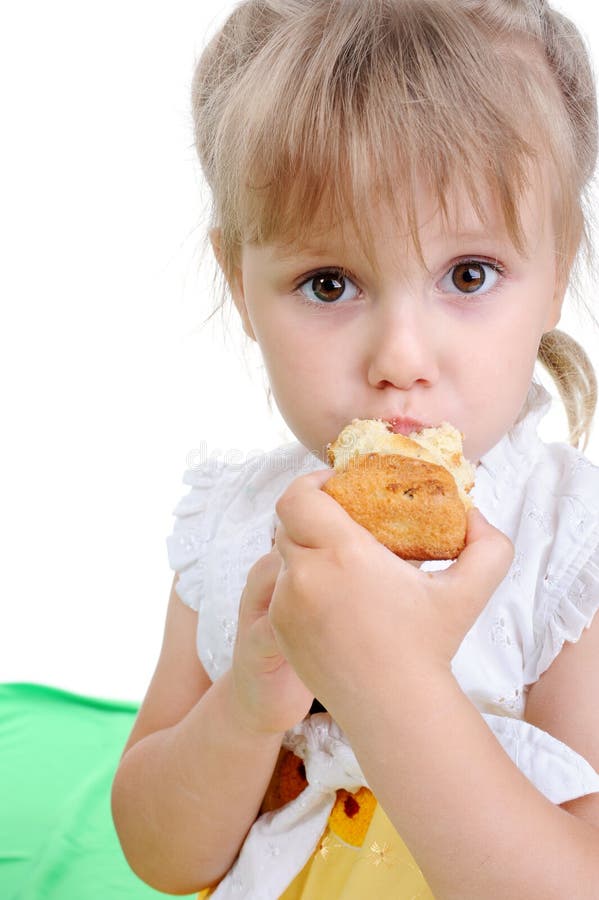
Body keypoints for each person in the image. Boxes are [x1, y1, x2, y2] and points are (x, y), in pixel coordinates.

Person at [111, 1, 599, 897]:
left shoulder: (572, 547)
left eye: (468, 274)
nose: (400, 360)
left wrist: (387, 677)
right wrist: (252, 701)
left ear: (557, 272)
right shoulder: (231, 532)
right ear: (241, 286)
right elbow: (162, 858)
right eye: (328, 282)